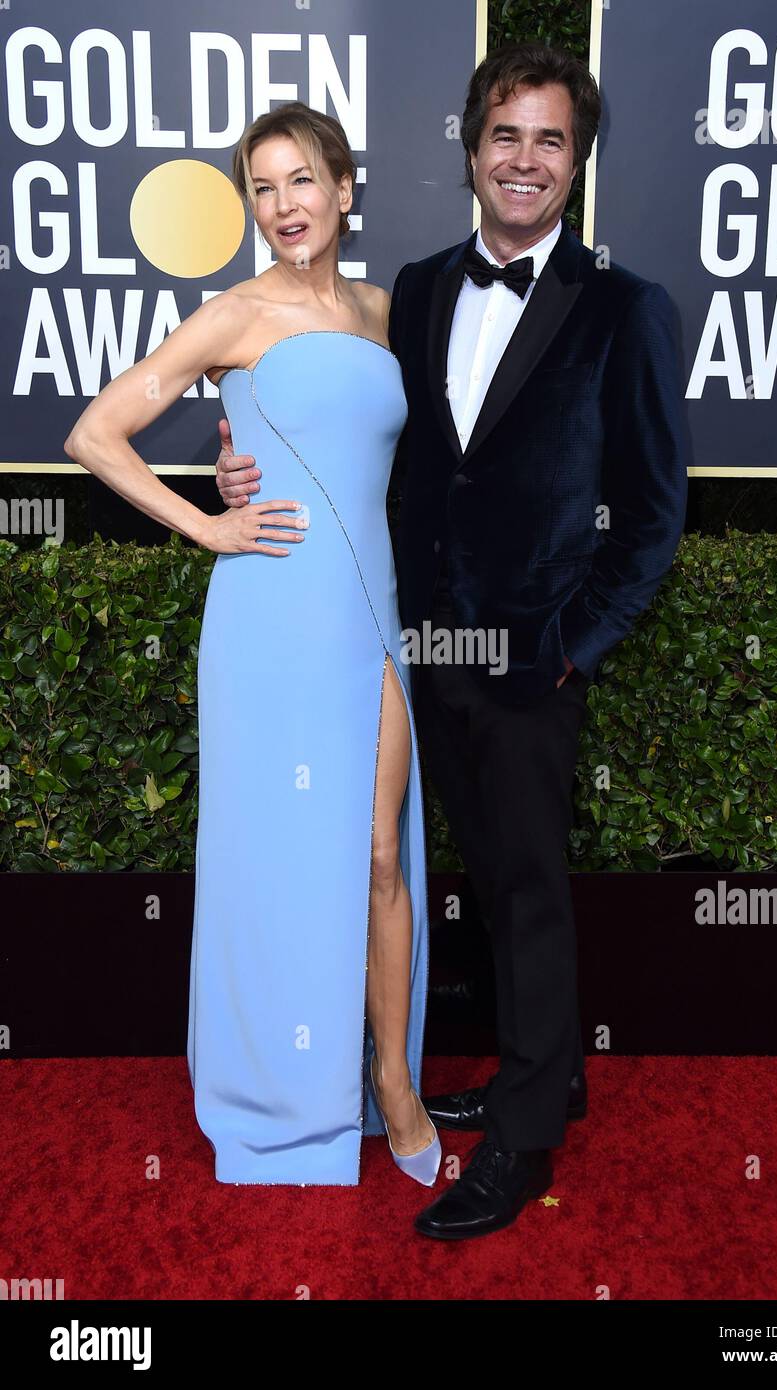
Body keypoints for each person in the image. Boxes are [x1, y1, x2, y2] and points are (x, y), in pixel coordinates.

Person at [215, 43, 690, 1235]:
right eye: (504, 136)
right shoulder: (414, 290)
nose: (522, 160)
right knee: (467, 871)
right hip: (416, 650)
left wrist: (574, 646)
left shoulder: (626, 309)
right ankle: (551, 1071)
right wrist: (238, 464)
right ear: (470, 150)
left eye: (550, 140)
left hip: (534, 660)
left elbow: (652, 514)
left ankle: (525, 1143)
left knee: (527, 888)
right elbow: (359, 440)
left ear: (576, 162)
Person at [64, 101, 440, 1189]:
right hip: (269, 617)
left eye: (302, 181)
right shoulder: (233, 314)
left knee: (376, 855)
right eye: (263, 188)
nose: (284, 206)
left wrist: (254, 454)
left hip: (366, 614)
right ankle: (286, 1088)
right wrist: (208, 519)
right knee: (279, 863)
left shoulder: (379, 310)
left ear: (344, 188)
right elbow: (97, 431)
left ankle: (391, 1083)